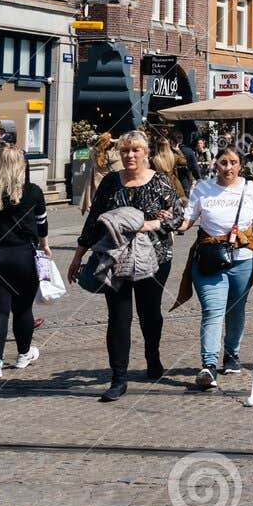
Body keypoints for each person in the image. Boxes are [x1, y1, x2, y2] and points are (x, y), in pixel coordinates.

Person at [69, 130, 184, 402]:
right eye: (125, 151)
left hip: (155, 258)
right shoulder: (111, 182)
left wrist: (155, 223)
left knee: (149, 314)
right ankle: (118, 377)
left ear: (146, 153)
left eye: (135, 151)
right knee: (119, 318)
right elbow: (94, 220)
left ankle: (152, 357)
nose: (130, 156)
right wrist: (78, 256)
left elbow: (179, 217)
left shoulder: (160, 182)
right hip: (115, 257)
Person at [174, 147, 253, 391]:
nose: (228, 167)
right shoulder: (203, 189)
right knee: (212, 310)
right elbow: (186, 222)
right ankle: (208, 365)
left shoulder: (251, 190)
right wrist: (173, 223)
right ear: (215, 164)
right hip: (209, 259)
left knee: (236, 309)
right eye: (223, 162)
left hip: (243, 259)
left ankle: (232, 354)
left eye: (233, 162)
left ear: (240, 165)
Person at [0, 146, 49, 382]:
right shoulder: (33, 191)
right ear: (22, 165)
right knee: (23, 309)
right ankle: (23, 354)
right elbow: (42, 226)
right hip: (23, 255)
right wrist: (44, 245)